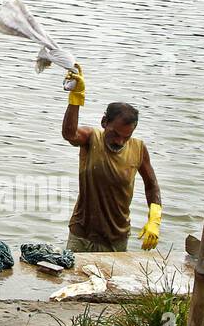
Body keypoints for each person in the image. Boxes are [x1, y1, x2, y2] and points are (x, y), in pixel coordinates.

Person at [60, 64, 161, 252]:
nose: (120, 141)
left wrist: (154, 217)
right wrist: (76, 98)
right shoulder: (91, 138)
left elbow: (151, 184)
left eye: (126, 136)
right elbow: (69, 133)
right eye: (115, 134)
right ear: (104, 122)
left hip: (116, 237)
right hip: (81, 234)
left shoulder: (138, 148)